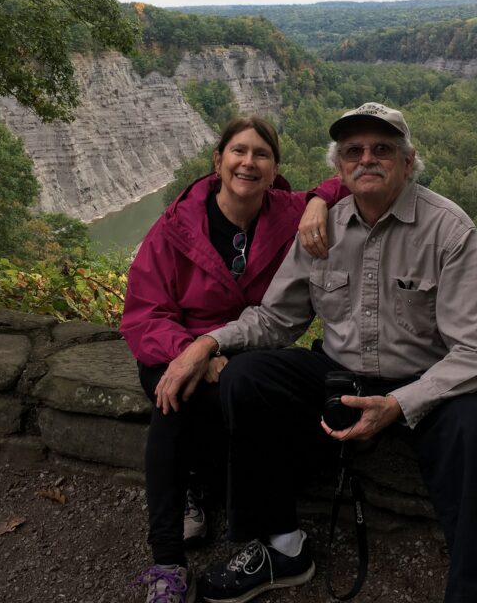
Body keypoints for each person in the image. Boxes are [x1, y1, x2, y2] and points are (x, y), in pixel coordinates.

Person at [159, 102, 477, 603]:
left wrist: (399, 405)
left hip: (424, 382)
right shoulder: (320, 230)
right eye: (353, 151)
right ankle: (280, 546)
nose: (367, 159)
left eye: (382, 149)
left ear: (408, 162)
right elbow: (277, 319)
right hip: (339, 375)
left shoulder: (448, 230)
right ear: (339, 166)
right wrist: (208, 342)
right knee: (245, 377)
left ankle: (472, 594)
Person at [121, 115, 346, 603]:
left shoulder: (290, 213)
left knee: (231, 392)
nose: (249, 162)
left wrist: (320, 199)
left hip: (246, 353)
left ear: (274, 168)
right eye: (238, 151)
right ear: (217, 161)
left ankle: (199, 492)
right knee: (173, 398)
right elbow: (144, 313)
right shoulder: (176, 227)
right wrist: (193, 354)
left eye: (261, 154)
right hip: (175, 349)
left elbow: (355, 177)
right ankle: (167, 561)